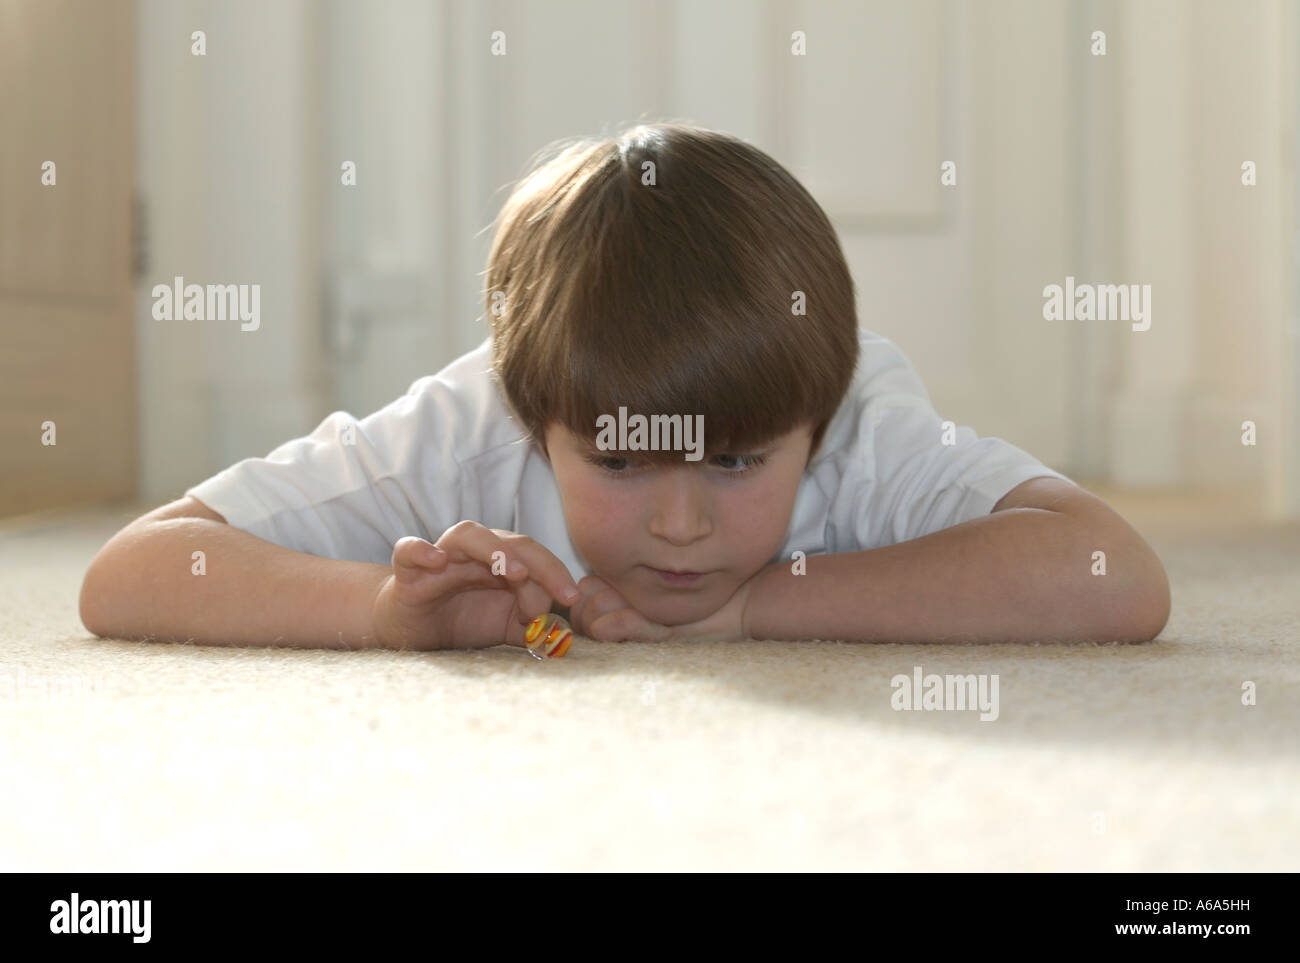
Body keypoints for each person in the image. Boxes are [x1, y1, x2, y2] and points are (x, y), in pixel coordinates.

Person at [80, 123, 1170, 651]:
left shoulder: (853, 416)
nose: (685, 524)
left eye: (739, 461)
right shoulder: (477, 425)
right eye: (620, 462)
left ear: (818, 416)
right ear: (533, 414)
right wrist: (375, 613)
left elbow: (1110, 573)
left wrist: (757, 608)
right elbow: (130, 572)